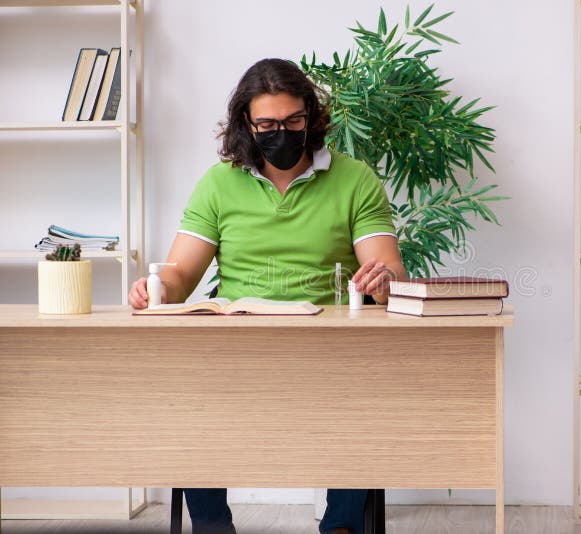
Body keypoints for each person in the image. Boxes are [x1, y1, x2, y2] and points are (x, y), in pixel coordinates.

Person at [128, 57, 407, 534]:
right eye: (268, 124)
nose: (283, 132)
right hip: (237, 346)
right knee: (188, 393)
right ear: (246, 124)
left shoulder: (354, 179)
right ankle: (213, 527)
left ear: (311, 118)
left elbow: (390, 275)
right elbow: (181, 275)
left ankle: (341, 526)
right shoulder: (218, 184)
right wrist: (154, 288)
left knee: (366, 392)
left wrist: (382, 282)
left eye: (293, 121)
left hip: (329, 348)